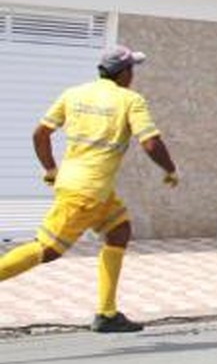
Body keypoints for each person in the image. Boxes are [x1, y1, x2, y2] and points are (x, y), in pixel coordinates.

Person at [0, 45, 179, 333]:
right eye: (131, 69)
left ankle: (107, 314)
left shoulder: (74, 94)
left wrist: (50, 169)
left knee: (119, 229)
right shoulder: (130, 100)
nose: (133, 74)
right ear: (123, 73)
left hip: (89, 189)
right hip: (87, 193)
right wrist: (170, 169)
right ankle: (106, 313)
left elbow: (40, 133)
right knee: (47, 250)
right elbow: (151, 143)